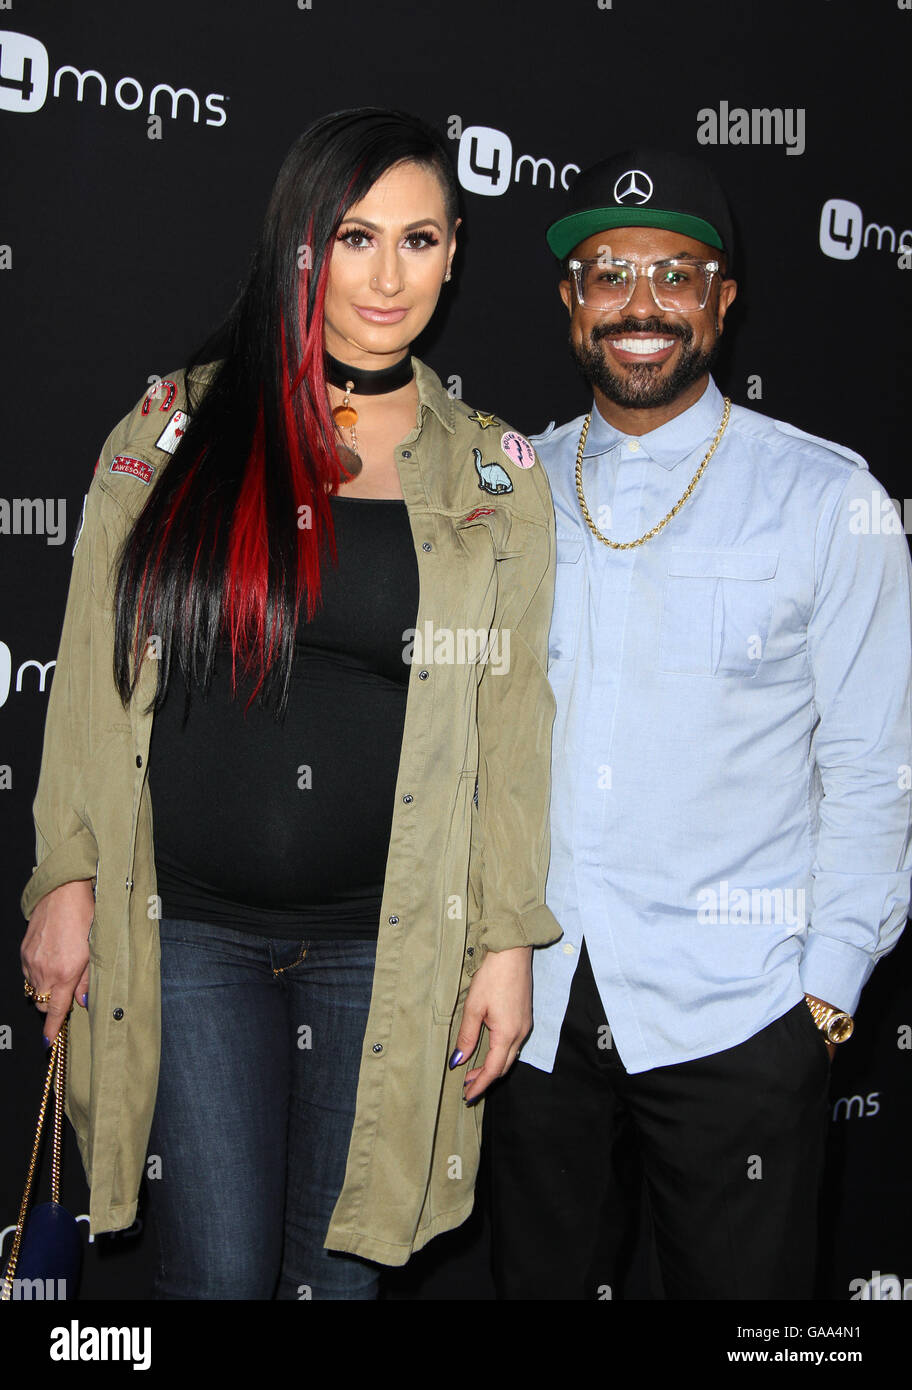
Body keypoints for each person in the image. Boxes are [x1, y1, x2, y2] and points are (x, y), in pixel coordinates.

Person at [18, 107, 560, 1300]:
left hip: (388, 947)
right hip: (192, 936)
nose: (385, 275)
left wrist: (507, 939)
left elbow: (513, 732)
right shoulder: (173, 429)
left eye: (418, 240)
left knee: (342, 1278)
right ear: (299, 246)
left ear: (456, 253)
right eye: (352, 238)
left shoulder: (493, 475)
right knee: (211, 1276)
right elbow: (93, 677)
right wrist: (66, 873)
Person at [485, 147, 912, 1300]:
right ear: (571, 302)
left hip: (742, 1011)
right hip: (537, 1006)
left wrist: (825, 993)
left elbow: (876, 765)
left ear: (724, 301)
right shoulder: (509, 491)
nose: (640, 305)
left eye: (676, 274)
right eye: (608, 272)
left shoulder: (831, 499)